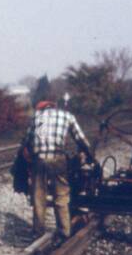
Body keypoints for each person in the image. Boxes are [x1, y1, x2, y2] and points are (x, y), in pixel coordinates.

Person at [22, 93, 95, 240]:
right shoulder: (67, 116)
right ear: (54, 106)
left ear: (42, 108)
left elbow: (27, 142)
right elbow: (80, 139)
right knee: (61, 194)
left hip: (39, 160)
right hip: (57, 158)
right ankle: (64, 231)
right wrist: (90, 155)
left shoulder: (36, 118)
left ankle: (38, 231)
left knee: (38, 195)